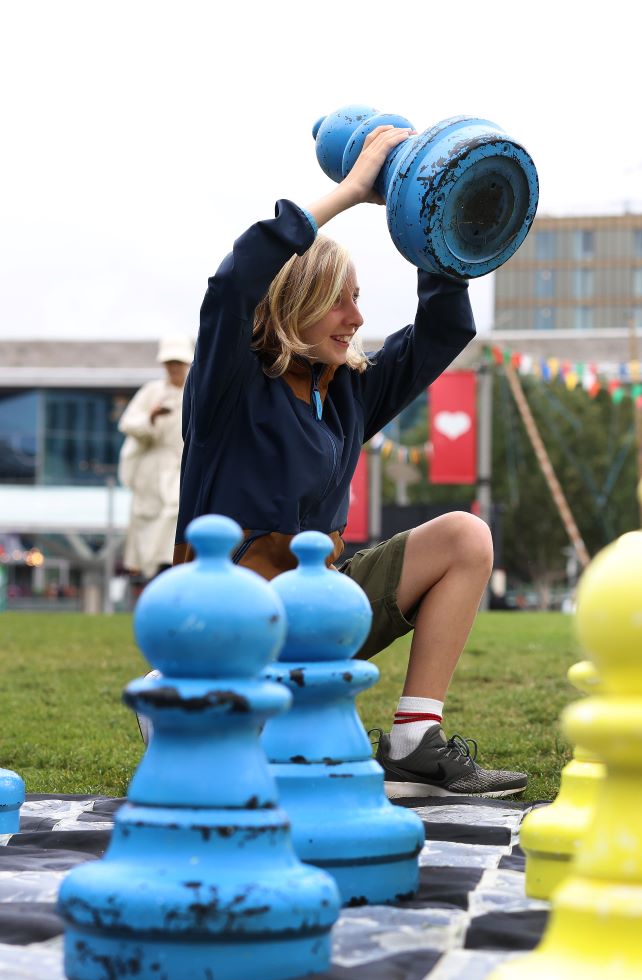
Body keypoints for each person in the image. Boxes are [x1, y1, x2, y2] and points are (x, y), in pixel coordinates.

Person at [174, 124, 526, 798]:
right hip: (225, 622)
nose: (355, 317)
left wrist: (429, 203)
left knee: (465, 538)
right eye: (338, 298)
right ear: (292, 301)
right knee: (245, 773)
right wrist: (353, 188)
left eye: (359, 297)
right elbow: (233, 279)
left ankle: (415, 742)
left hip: (323, 605)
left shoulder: (348, 392)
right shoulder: (230, 386)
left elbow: (444, 329)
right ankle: (200, 705)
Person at [118, 337, 192, 581]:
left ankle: (172, 570)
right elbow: (128, 423)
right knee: (150, 526)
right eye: (170, 362)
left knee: (175, 517)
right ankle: (155, 574)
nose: (174, 368)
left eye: (178, 362)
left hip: (184, 467)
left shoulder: (197, 390)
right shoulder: (152, 392)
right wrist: (151, 417)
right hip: (152, 471)